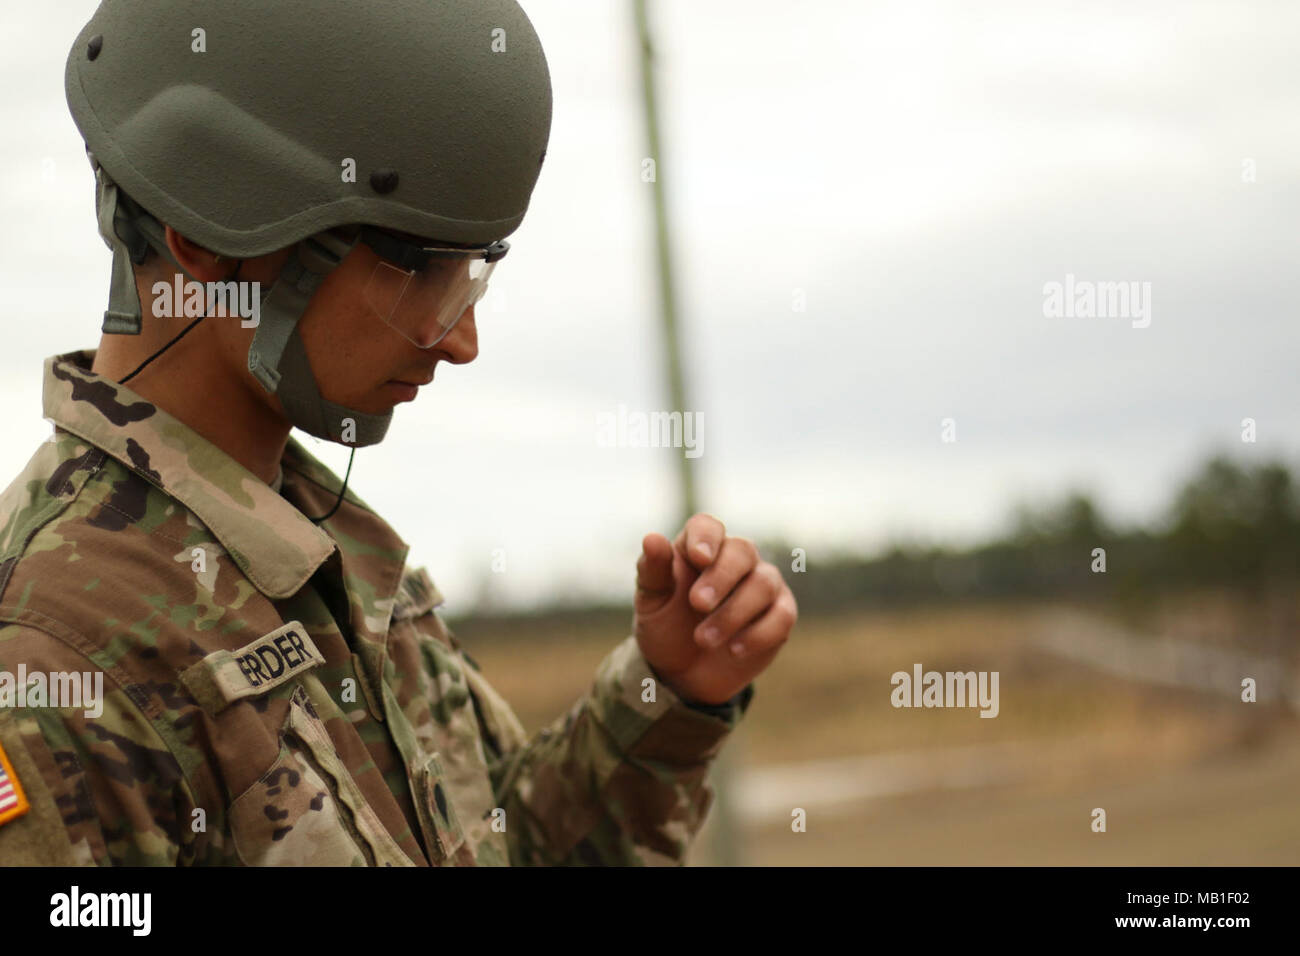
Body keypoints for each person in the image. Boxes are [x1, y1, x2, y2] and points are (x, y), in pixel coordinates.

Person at [0, 0, 796, 866]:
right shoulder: (52, 660)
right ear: (206, 238)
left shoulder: (332, 553)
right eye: (421, 271)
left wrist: (667, 690)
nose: (461, 340)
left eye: (477, 272)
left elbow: (501, 847)